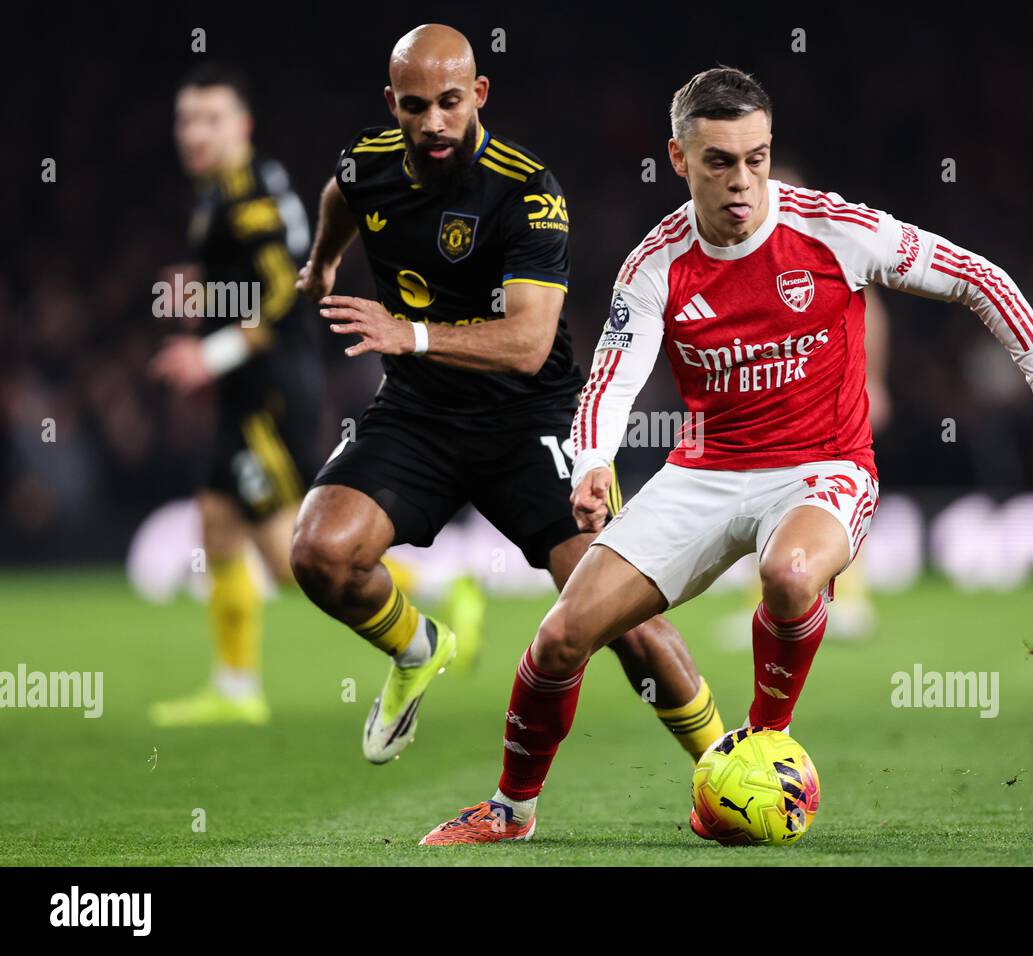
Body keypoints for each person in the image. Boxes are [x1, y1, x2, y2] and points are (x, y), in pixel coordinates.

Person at [418, 66, 1033, 845]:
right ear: (679, 159)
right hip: (706, 472)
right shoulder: (657, 263)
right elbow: (613, 374)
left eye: (757, 159)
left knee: (791, 574)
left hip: (823, 465)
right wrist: (595, 458)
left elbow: (975, 276)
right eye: (720, 162)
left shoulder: (832, 229)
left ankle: (762, 742)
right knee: (563, 636)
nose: (743, 181)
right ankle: (510, 812)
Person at [290, 25, 725, 767]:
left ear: (479, 95)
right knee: (319, 554)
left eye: (450, 102)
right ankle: (416, 646)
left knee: (618, 614)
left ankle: (724, 762)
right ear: (391, 104)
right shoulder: (369, 164)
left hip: (533, 417)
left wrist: (412, 334)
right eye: (416, 106)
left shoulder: (528, 190)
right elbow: (342, 192)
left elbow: (528, 342)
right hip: (419, 415)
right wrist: (323, 262)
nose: (433, 122)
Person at [148, 63, 320, 727]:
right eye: (186, 119)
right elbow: (245, 282)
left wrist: (207, 352)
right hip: (243, 391)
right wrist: (204, 284)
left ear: (242, 125)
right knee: (216, 522)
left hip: (268, 394)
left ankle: (440, 606)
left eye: (211, 118)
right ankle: (235, 687)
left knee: (292, 561)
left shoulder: (250, 198)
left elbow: (283, 297)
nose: (195, 132)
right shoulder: (219, 191)